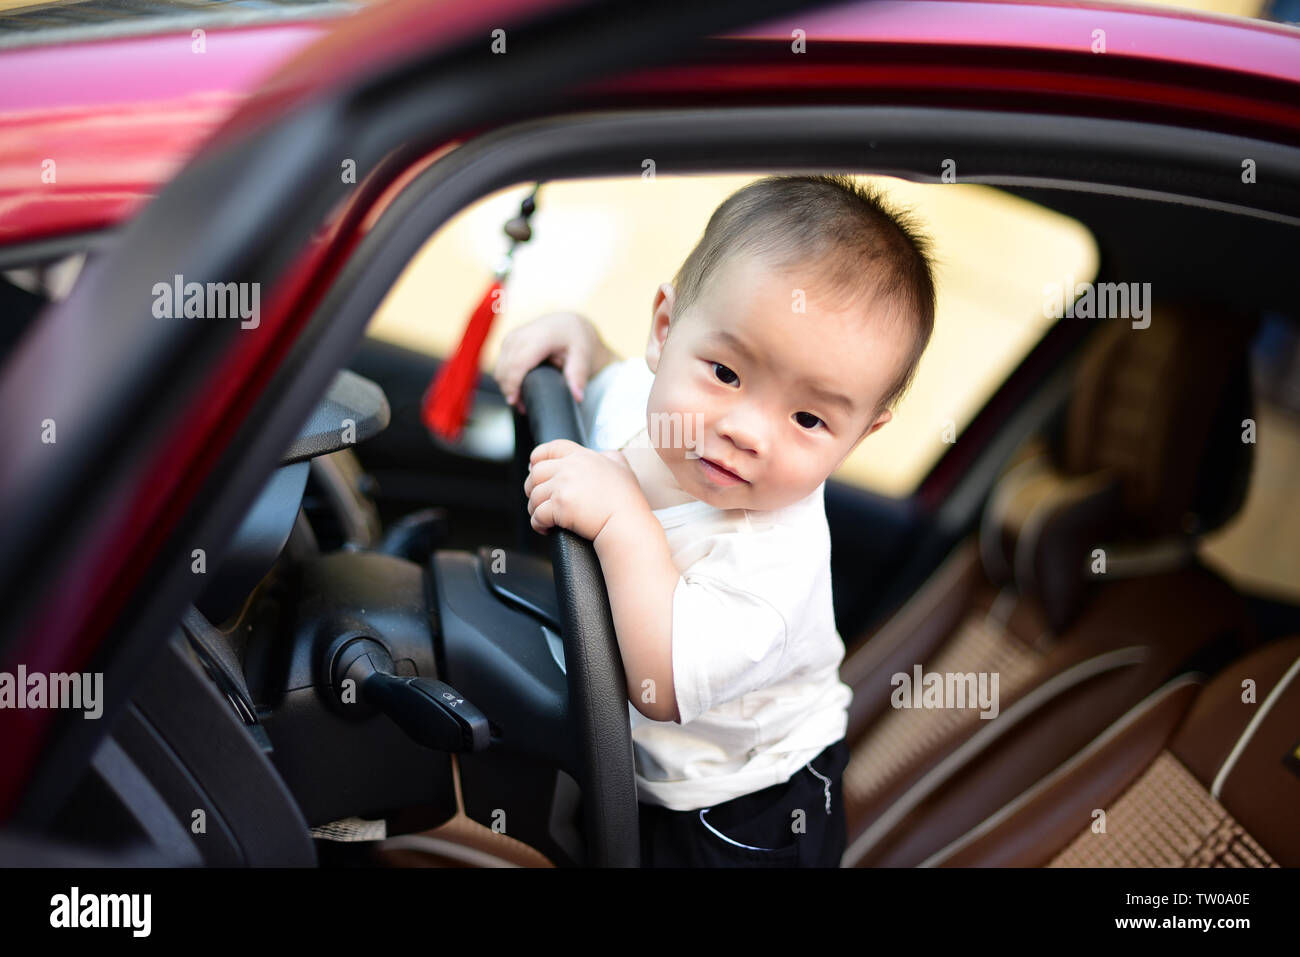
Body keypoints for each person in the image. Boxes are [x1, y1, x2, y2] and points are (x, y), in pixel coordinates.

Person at [492, 174, 936, 866]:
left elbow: (660, 683)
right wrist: (578, 341)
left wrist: (621, 520)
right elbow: (609, 380)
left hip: (742, 804)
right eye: (726, 373)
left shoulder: (774, 560)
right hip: (630, 764)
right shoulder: (653, 405)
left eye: (810, 418)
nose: (747, 430)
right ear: (665, 330)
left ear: (859, 436)